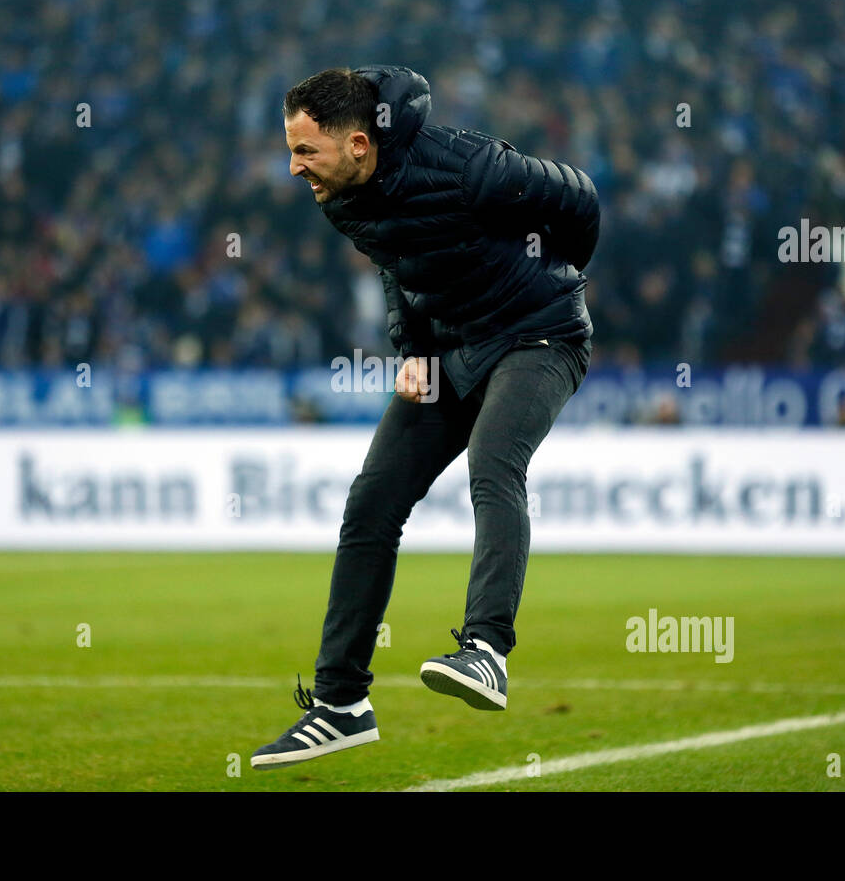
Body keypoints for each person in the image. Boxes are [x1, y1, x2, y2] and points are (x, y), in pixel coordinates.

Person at [252, 65, 597, 770]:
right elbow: (395, 259)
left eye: (304, 150)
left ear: (357, 143)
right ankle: (340, 705)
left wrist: (558, 278)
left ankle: (487, 651)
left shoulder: (469, 167)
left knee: (494, 462)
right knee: (370, 504)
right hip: (449, 353)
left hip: (539, 335)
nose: (293, 167)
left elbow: (579, 198)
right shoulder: (338, 194)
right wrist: (410, 346)